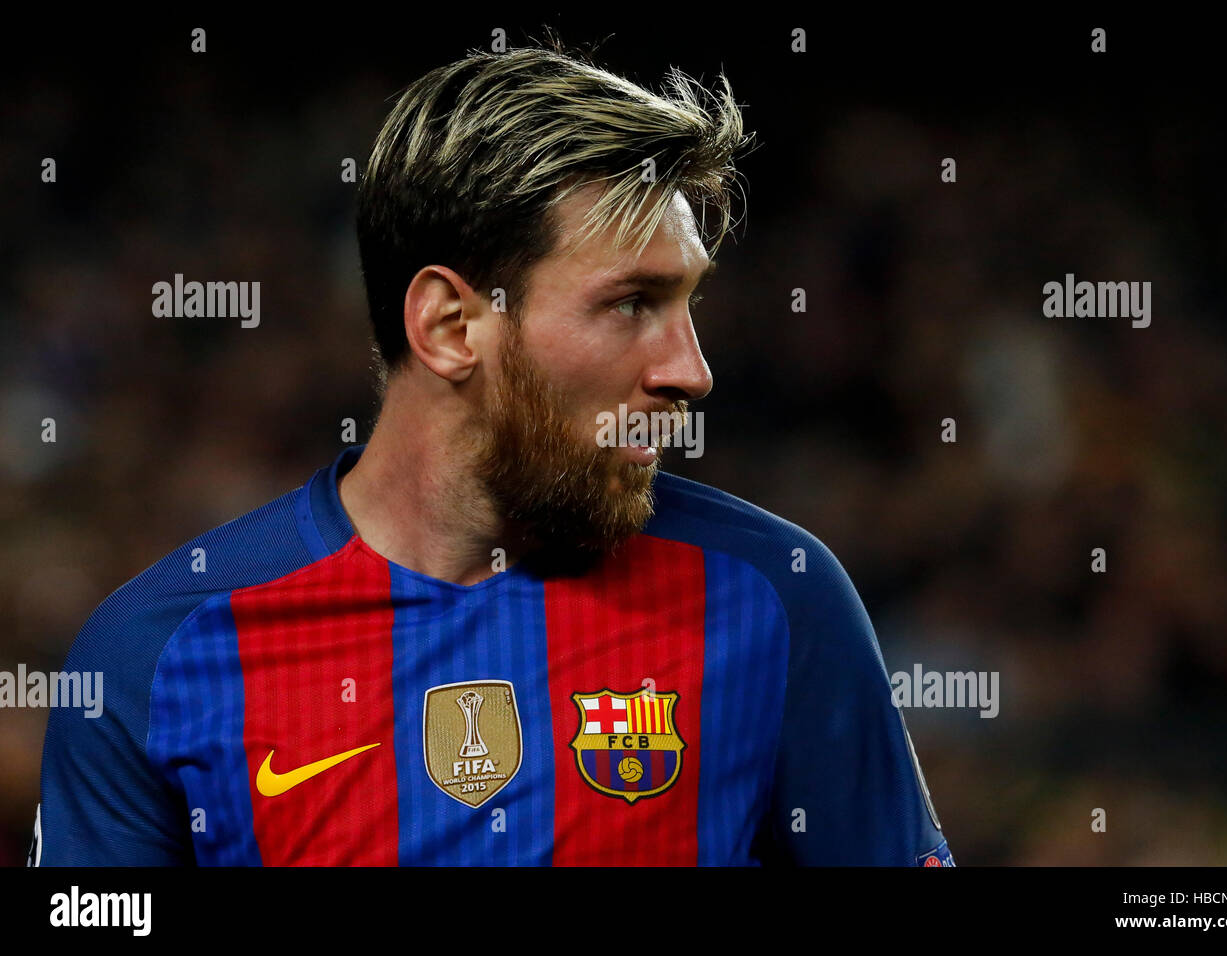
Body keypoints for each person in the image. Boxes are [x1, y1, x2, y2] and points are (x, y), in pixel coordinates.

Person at [34, 43, 952, 866]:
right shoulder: (157, 657)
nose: (692, 371)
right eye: (632, 303)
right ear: (450, 326)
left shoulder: (775, 597)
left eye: (688, 305)